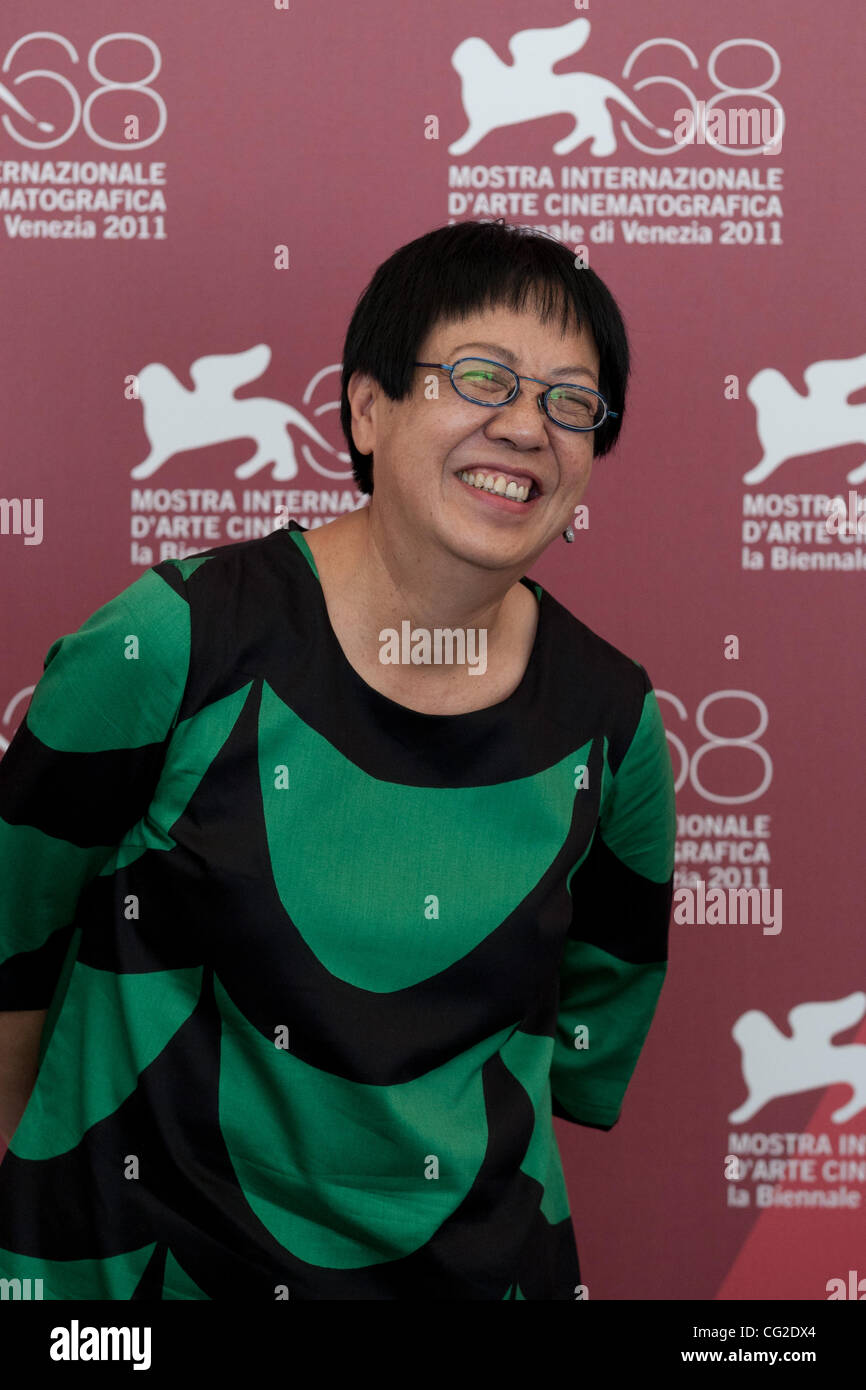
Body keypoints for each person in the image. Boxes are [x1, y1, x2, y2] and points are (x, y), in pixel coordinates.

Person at [0, 219, 675, 1300]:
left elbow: (586, 1026)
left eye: (570, 403)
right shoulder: (171, 642)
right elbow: (10, 949)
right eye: (479, 377)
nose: (524, 428)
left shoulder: (612, 719)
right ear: (366, 405)